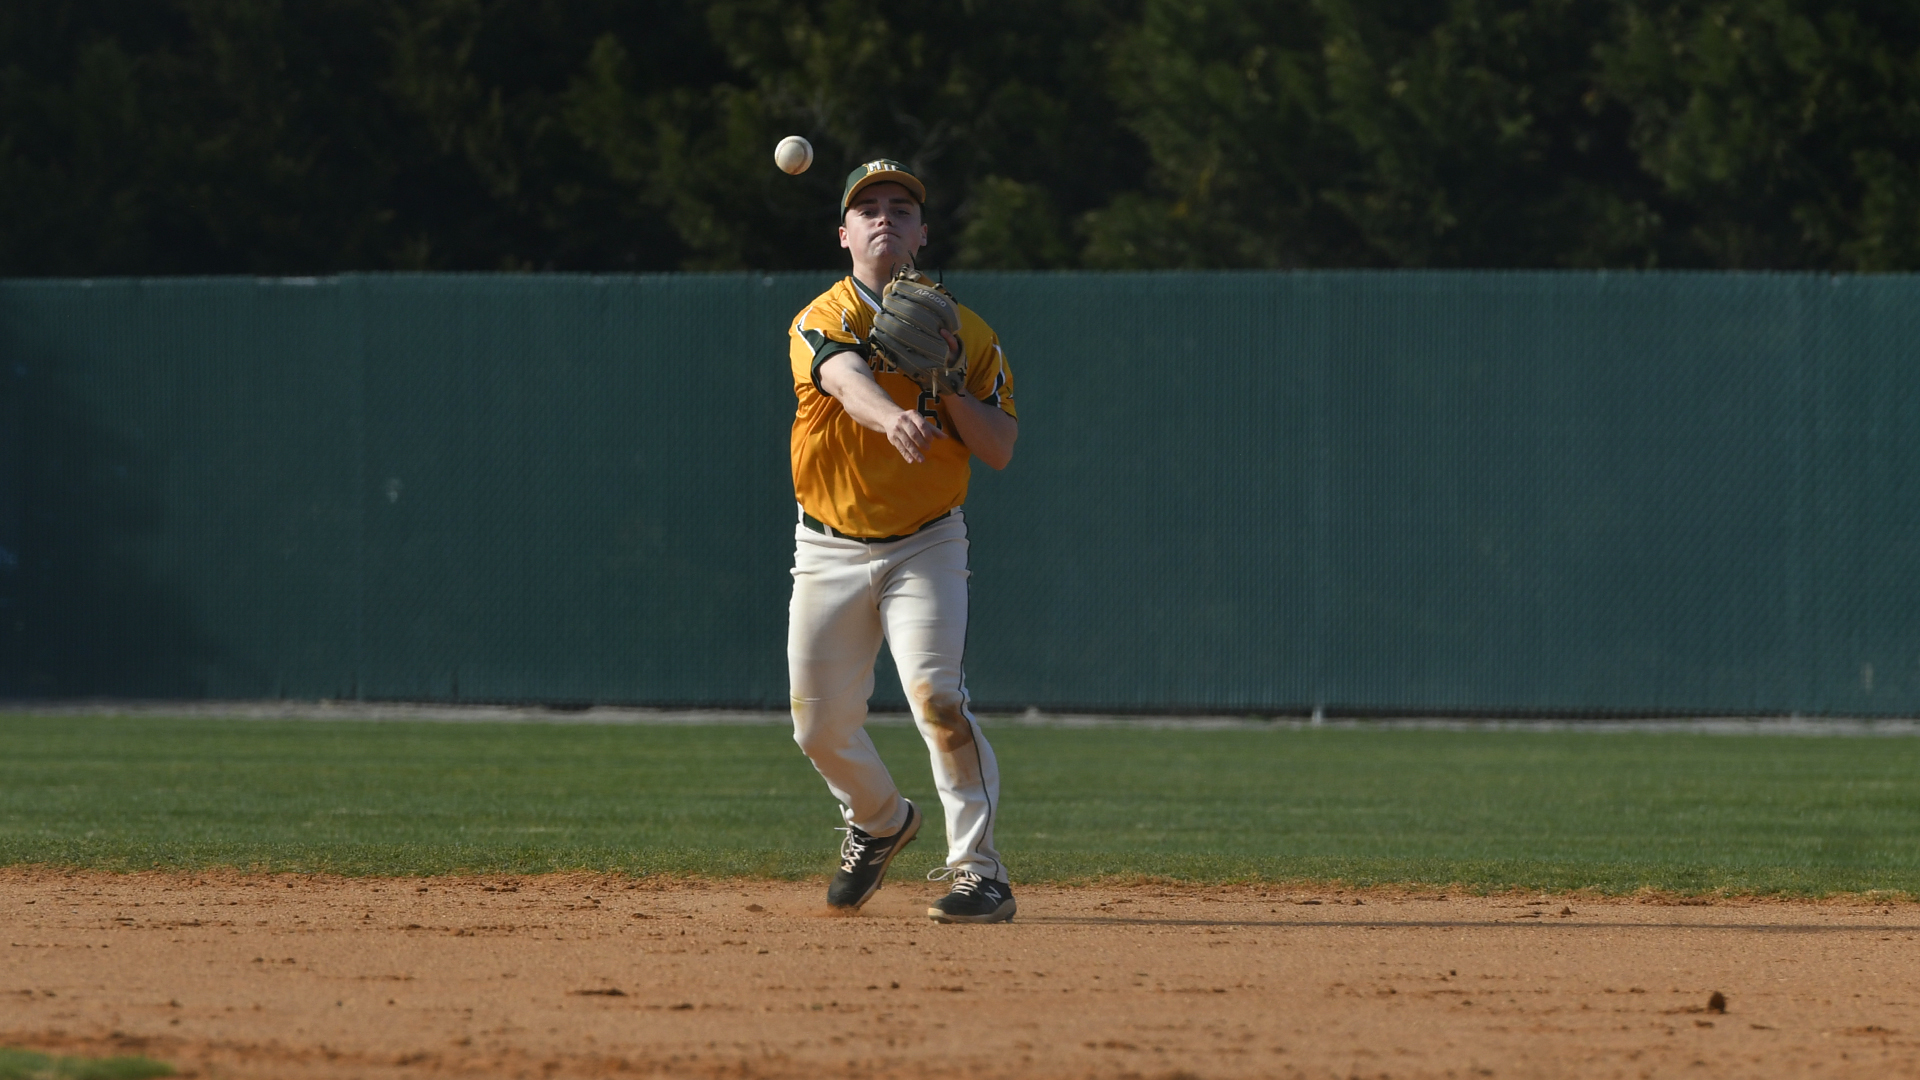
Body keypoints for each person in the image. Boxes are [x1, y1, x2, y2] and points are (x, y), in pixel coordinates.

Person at [784, 159, 1020, 924]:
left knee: (940, 699)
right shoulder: (819, 318)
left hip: (927, 544)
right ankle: (882, 820)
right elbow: (845, 378)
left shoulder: (966, 333)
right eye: (868, 208)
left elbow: (1000, 448)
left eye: (901, 208)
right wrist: (894, 416)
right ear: (845, 233)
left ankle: (980, 874)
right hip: (829, 546)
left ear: (922, 233)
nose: (885, 217)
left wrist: (948, 387)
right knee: (818, 728)